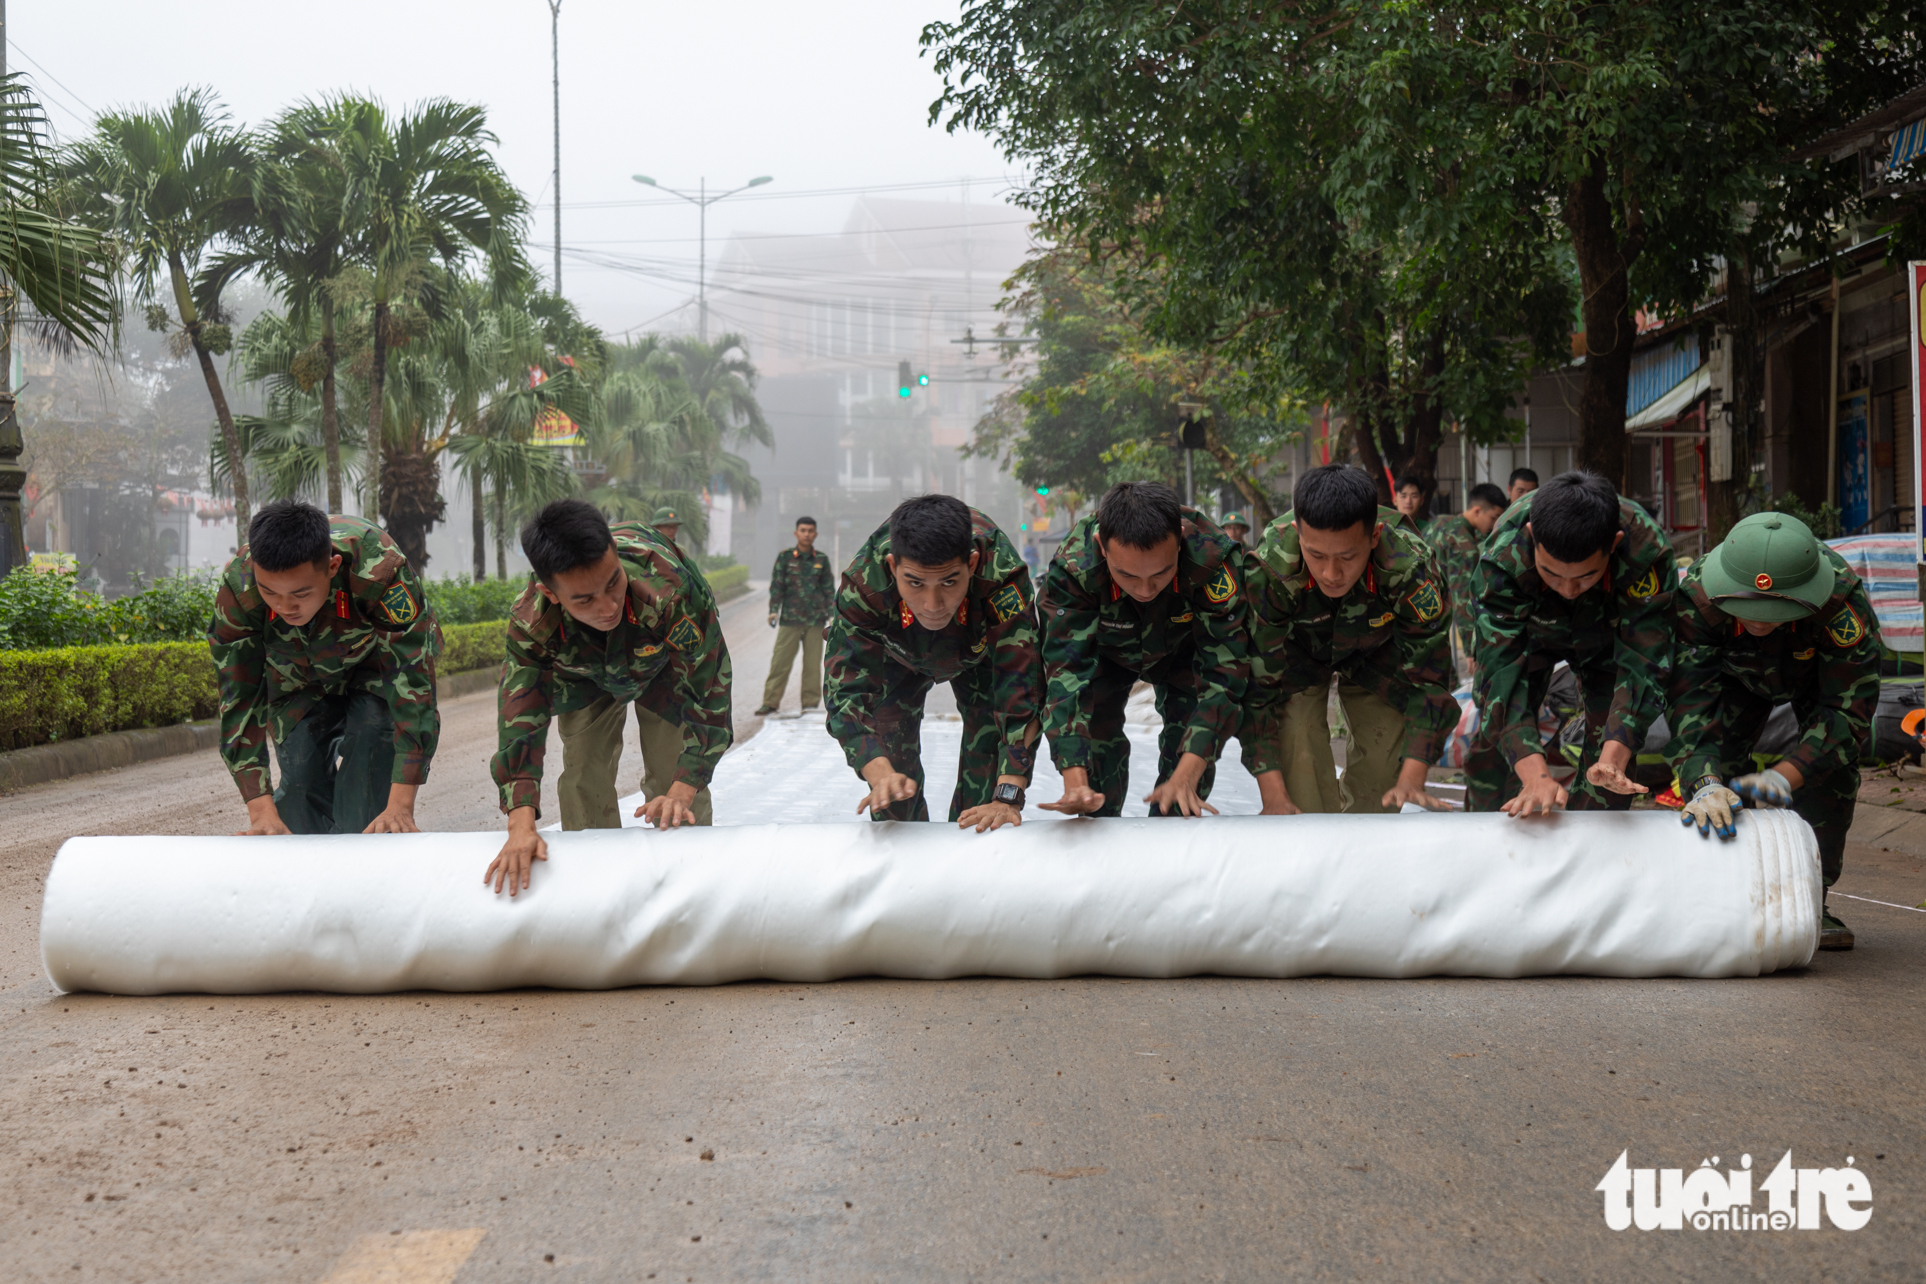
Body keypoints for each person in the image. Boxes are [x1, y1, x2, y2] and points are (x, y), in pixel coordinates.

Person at [485, 499, 733, 895]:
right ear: (551, 593)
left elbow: (710, 694)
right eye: (584, 599)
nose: (608, 606)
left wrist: (682, 789)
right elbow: (520, 727)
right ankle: (595, 892)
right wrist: (520, 826)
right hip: (583, 672)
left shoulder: (669, 590)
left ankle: (692, 888)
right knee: (584, 774)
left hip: (663, 663)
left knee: (676, 780)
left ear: (615, 556)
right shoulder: (533, 623)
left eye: (613, 583)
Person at [1669, 512, 1879, 951]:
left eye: (1772, 611)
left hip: (1813, 677)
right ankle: (1719, 896)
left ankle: (1808, 900)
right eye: (1748, 610)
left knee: (1831, 772)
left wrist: (1787, 774)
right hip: (1734, 676)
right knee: (1717, 779)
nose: (1759, 620)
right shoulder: (1698, 598)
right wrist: (1704, 782)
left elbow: (1846, 713)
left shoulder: (1840, 603)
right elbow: (1693, 704)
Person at [209, 499, 441, 836]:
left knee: (369, 763)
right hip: (296, 679)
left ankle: (364, 874)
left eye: (300, 593)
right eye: (270, 593)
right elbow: (239, 698)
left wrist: (400, 807)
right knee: (300, 787)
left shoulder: (378, 568)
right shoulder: (239, 587)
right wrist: (261, 812)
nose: (285, 606)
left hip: (373, 670)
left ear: (332, 567)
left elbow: (412, 682)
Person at [1242, 465, 1458, 814]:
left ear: (1373, 538)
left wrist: (1413, 776)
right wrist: (1273, 795)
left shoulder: (1409, 568)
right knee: (1299, 764)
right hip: (1298, 653)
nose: (1331, 574)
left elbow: (1430, 679)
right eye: (1316, 556)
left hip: (1377, 651)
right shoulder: (1271, 568)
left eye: (1347, 557)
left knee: (1380, 785)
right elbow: (1259, 687)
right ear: (1298, 535)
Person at [824, 494, 1043, 830]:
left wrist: (1008, 794)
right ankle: (907, 877)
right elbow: (846, 694)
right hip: (896, 655)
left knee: (987, 790)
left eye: (949, 582)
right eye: (915, 583)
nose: (933, 603)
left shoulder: (1000, 575)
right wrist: (878, 771)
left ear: (971, 564)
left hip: (979, 653)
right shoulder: (864, 585)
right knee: (893, 785)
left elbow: (1021, 681)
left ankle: (970, 871)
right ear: (892, 567)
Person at [1466, 469, 1674, 815]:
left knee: (1610, 772)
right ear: (1532, 538)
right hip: (1530, 632)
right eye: (1551, 574)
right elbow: (1498, 672)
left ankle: (1593, 858)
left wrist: (1613, 754)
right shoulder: (1504, 554)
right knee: (1493, 748)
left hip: (1607, 636)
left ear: (1615, 544)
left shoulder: (1645, 551)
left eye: (1585, 575)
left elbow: (1645, 662)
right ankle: (1486, 850)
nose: (1567, 590)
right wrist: (1534, 774)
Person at [1037, 480, 1249, 818]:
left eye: (1161, 573)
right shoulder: (1074, 569)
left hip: (1183, 652)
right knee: (1095, 787)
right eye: (1127, 576)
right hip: (1105, 655)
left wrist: (1187, 773)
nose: (1146, 589)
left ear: (1179, 541)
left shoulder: (1212, 561)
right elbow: (1066, 676)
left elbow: (1224, 675)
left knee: (1181, 795)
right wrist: (1074, 777)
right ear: (1101, 548)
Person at [1423, 481, 1510, 676]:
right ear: (1477, 510)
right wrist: (1471, 652)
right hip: (1431, 618)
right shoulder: (1466, 548)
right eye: (1494, 517)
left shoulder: (1440, 522)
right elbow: (1462, 599)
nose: (1495, 525)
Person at [757, 516, 836, 716]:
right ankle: (770, 702)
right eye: (803, 530)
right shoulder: (785, 558)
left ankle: (810, 704)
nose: (807, 534)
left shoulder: (822, 560)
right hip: (790, 620)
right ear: (796, 533)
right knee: (780, 662)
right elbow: (777, 586)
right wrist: (773, 609)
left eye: (810, 531)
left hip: (815, 621)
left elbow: (828, 590)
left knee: (812, 665)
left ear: (815, 534)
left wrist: (832, 616)